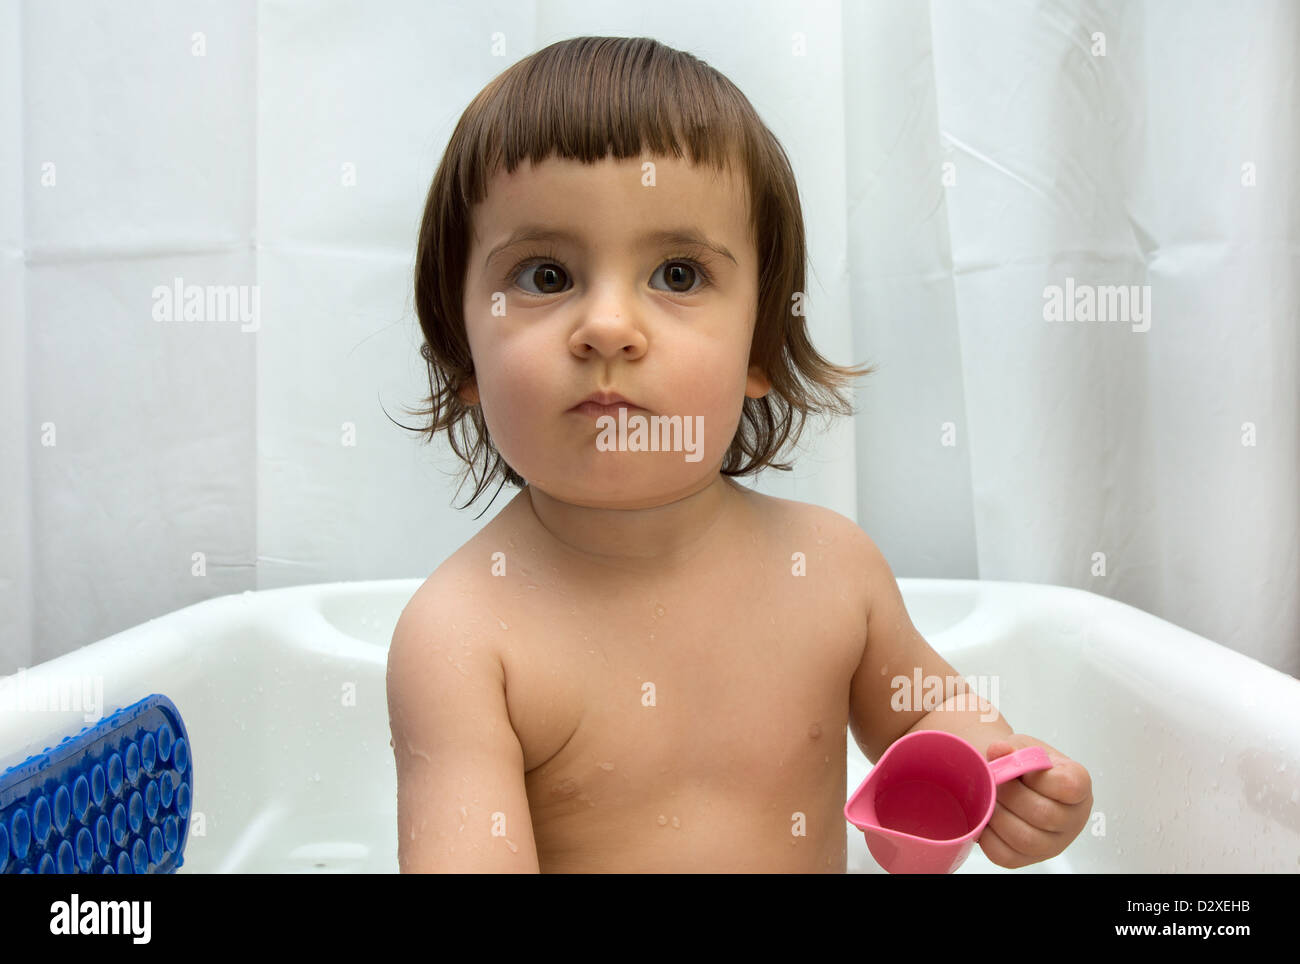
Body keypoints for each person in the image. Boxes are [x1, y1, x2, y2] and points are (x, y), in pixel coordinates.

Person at [387, 35, 1092, 872]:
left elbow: (928, 717)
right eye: (545, 275)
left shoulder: (831, 570)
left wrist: (1000, 779)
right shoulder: (461, 637)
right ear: (464, 355)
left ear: (760, 346)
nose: (608, 326)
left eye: (678, 275)